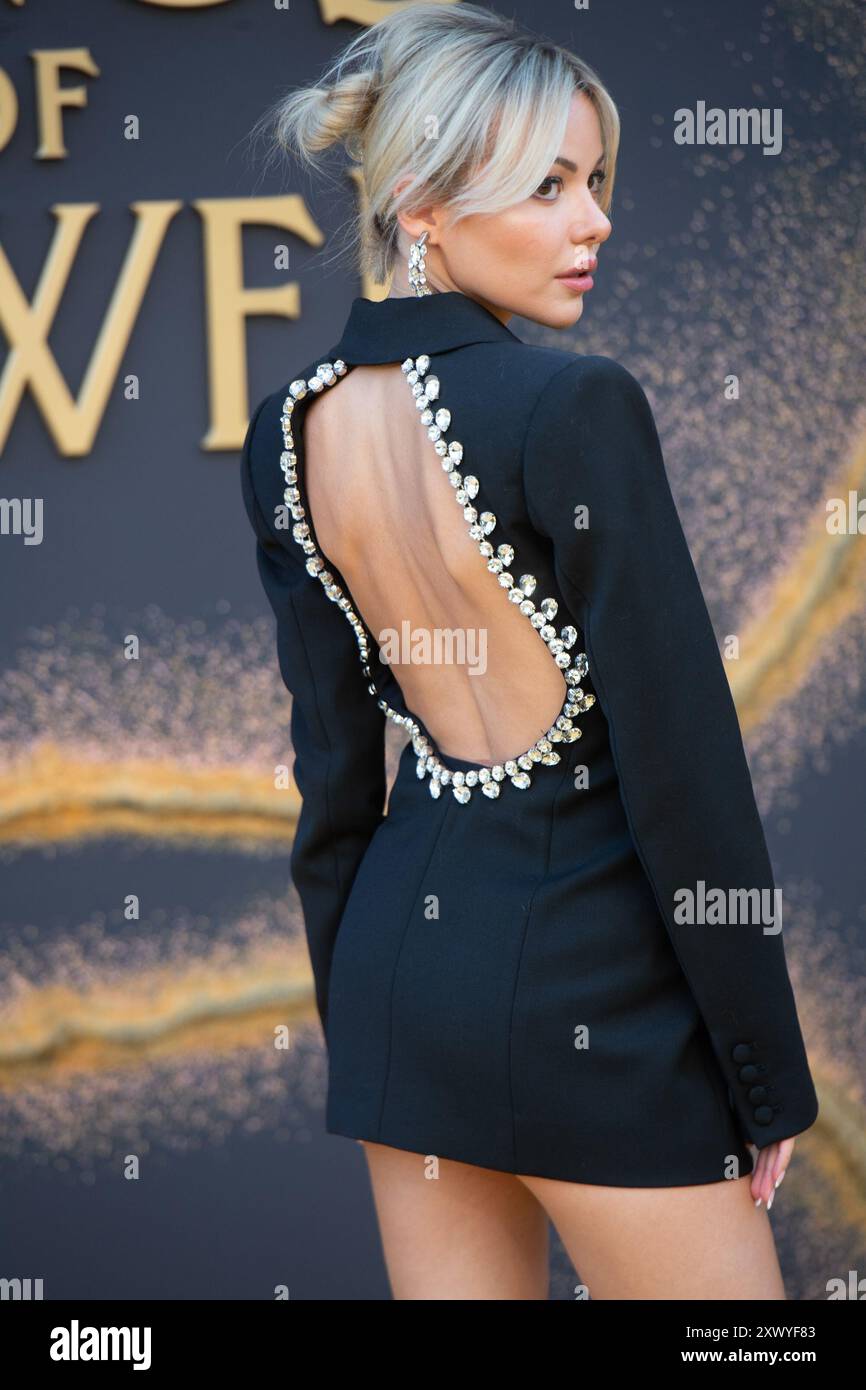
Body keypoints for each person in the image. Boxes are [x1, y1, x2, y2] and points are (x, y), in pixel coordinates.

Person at [240, 3, 819, 1299]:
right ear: (423, 205)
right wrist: (763, 1073)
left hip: (403, 981)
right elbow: (683, 772)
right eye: (546, 184)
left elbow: (334, 777)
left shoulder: (287, 429)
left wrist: (370, 1033)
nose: (593, 220)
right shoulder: (573, 403)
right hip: (595, 1000)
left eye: (594, 180)